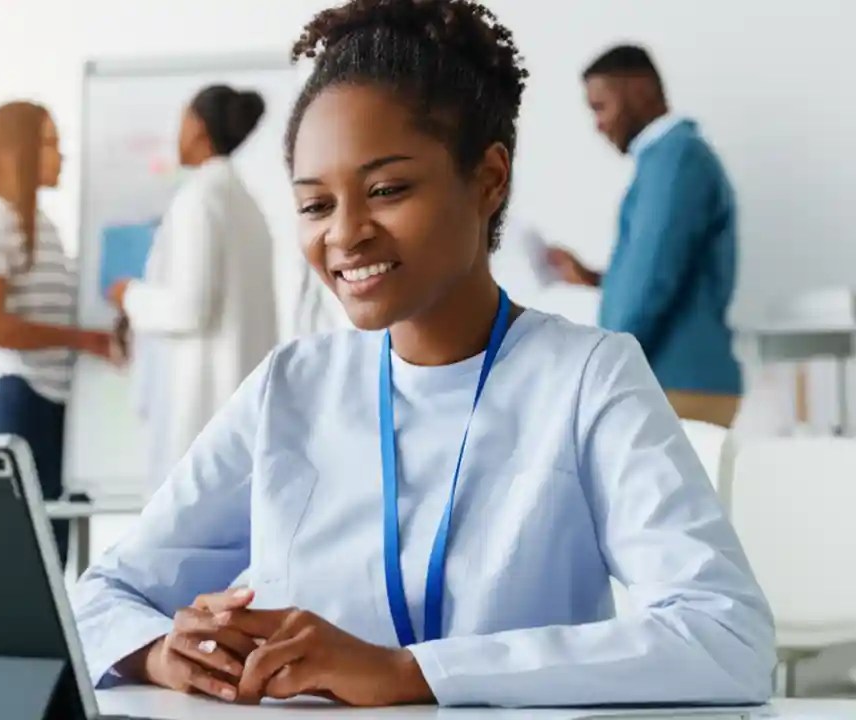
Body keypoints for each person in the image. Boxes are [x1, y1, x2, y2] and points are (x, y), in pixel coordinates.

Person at [74, 0, 773, 708]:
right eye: (316, 205)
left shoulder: (588, 378)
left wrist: (410, 672)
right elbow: (103, 594)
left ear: (489, 179)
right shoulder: (291, 387)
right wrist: (161, 653)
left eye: (387, 190)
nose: (345, 233)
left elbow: (725, 635)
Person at [546, 45, 742, 428]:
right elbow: (662, 266)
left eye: (601, 107)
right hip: (677, 381)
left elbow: (652, 280)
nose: (598, 124)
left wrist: (599, 367)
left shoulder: (676, 157)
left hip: (678, 383)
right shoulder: (668, 159)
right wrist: (595, 280)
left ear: (640, 90)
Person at [106, 85, 278, 489]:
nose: (176, 133)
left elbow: (189, 308)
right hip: (237, 414)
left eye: (182, 120)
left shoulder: (199, 198)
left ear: (198, 126)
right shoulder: (245, 203)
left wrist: (129, 295)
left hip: (200, 417)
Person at [0, 101, 114, 564]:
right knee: (21, 556)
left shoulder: (41, 224)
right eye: (50, 143)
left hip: (53, 403)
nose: (60, 156)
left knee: (54, 552)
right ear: (19, 150)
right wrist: (81, 338)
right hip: (20, 400)